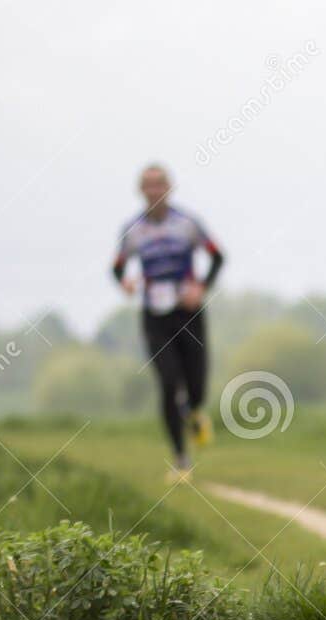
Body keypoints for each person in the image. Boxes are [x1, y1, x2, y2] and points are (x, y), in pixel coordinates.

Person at [112, 164, 225, 480]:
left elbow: (217, 256)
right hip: (155, 317)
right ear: (141, 190)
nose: (154, 191)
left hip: (188, 312)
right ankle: (181, 459)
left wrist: (201, 287)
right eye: (148, 185)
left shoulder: (187, 223)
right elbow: (117, 267)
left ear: (169, 188)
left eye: (159, 184)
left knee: (196, 385)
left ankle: (194, 411)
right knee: (168, 383)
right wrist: (125, 282)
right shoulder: (132, 229)